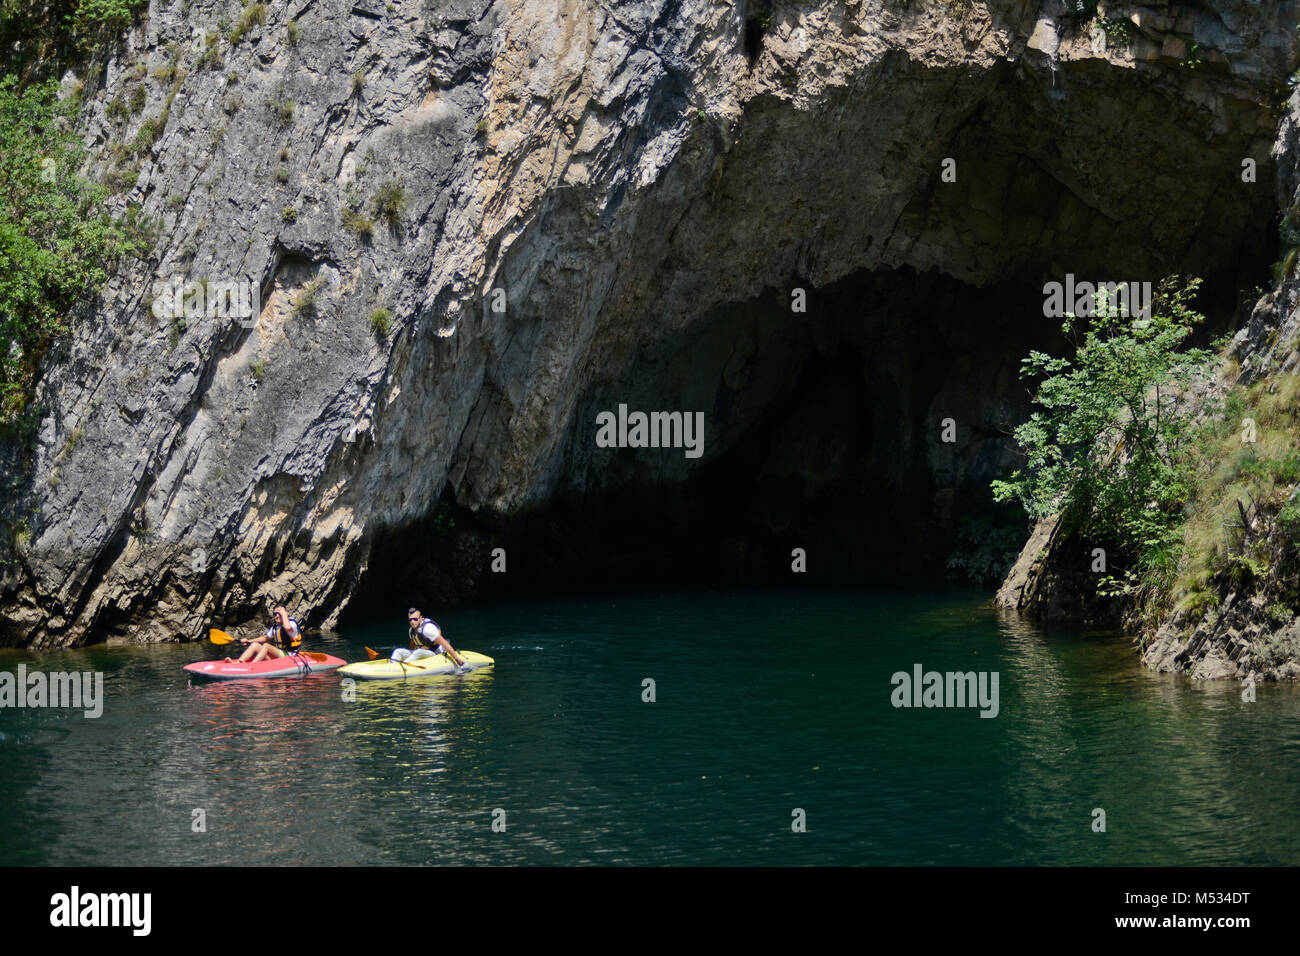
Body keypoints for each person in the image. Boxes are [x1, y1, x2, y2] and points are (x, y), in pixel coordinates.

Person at [393, 607, 468, 668]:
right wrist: (411, 656)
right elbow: (413, 645)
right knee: (398, 651)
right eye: (410, 620)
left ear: (420, 618)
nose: (412, 622)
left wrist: (457, 659)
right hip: (422, 653)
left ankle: (402, 667)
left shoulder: (427, 629)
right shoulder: (411, 631)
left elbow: (445, 643)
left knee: (418, 652)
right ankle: (391, 667)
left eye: (415, 619)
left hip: (436, 654)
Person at [227, 605, 302, 663]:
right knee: (255, 645)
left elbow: (287, 627)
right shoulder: (275, 627)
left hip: (291, 656)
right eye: (275, 614)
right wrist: (249, 641)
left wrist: (283, 613)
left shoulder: (292, 623)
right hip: (280, 655)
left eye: (279, 613)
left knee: (266, 646)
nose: (277, 615)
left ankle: (253, 666)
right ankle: (238, 663)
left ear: (285, 613)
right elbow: (266, 638)